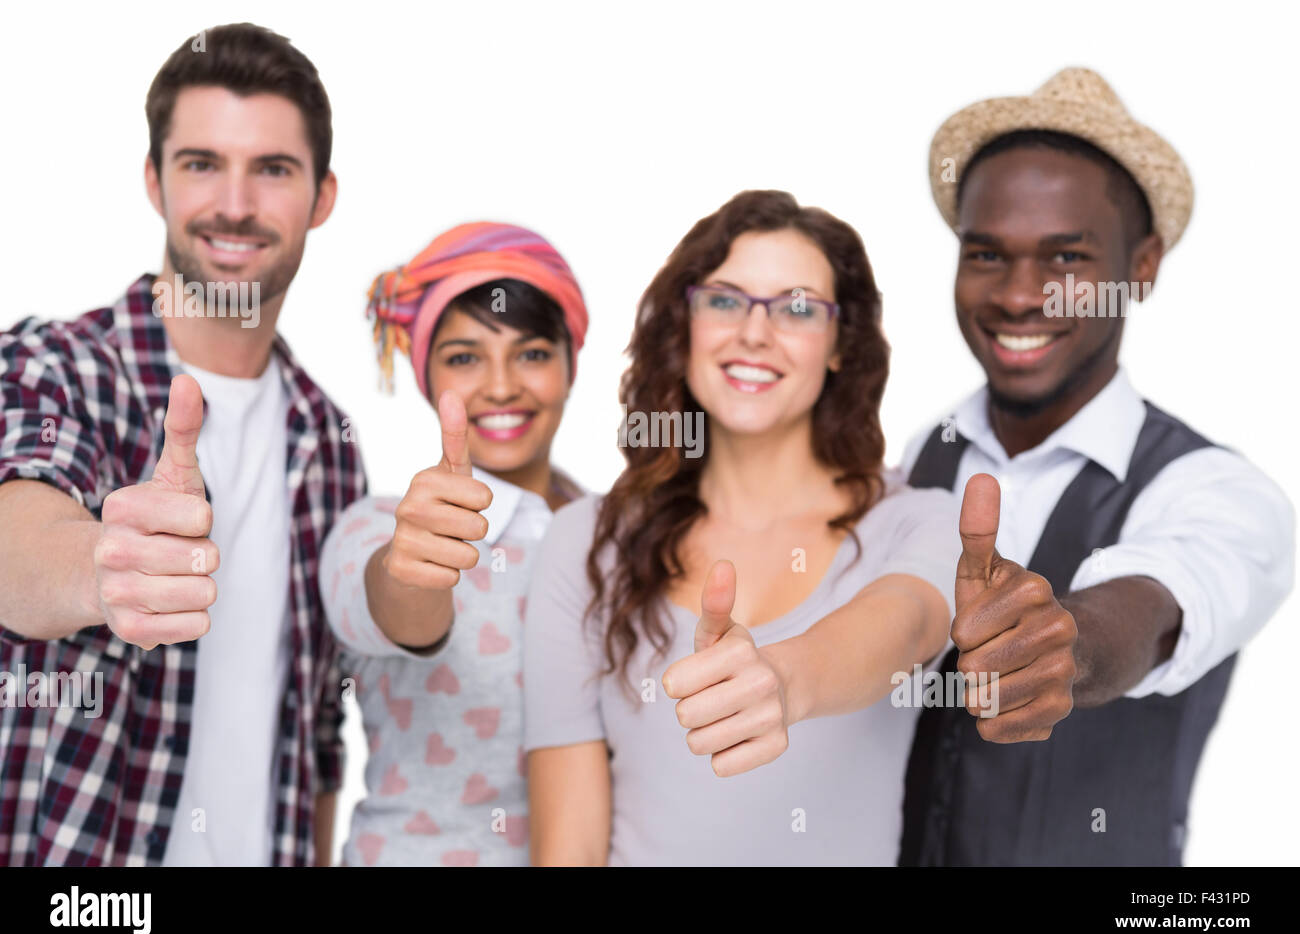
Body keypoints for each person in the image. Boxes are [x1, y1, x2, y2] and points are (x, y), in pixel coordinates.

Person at [896, 67, 1295, 865]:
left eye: (1067, 259)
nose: (1018, 296)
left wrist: (1065, 647)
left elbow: (1157, 601)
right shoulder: (920, 453)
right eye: (986, 253)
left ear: (1141, 267)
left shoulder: (1221, 492)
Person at [0, 23, 364, 866]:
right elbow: (16, 536)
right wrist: (100, 563)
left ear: (322, 197)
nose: (234, 204)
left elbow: (320, 732)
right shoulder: (55, 366)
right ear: (155, 183)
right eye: (202, 163)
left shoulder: (330, 441)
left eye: (272, 169)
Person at [523, 190, 960, 865]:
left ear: (842, 344)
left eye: (796, 308)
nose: (754, 333)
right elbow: (569, 847)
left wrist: (786, 679)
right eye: (725, 300)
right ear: (685, 326)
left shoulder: (921, 522)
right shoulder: (586, 542)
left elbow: (906, 622)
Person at [319, 223, 588, 866]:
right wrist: (411, 569)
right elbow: (394, 602)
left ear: (570, 366)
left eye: (531, 353)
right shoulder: (376, 527)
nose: (500, 386)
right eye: (465, 357)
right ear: (427, 377)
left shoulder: (615, 533)